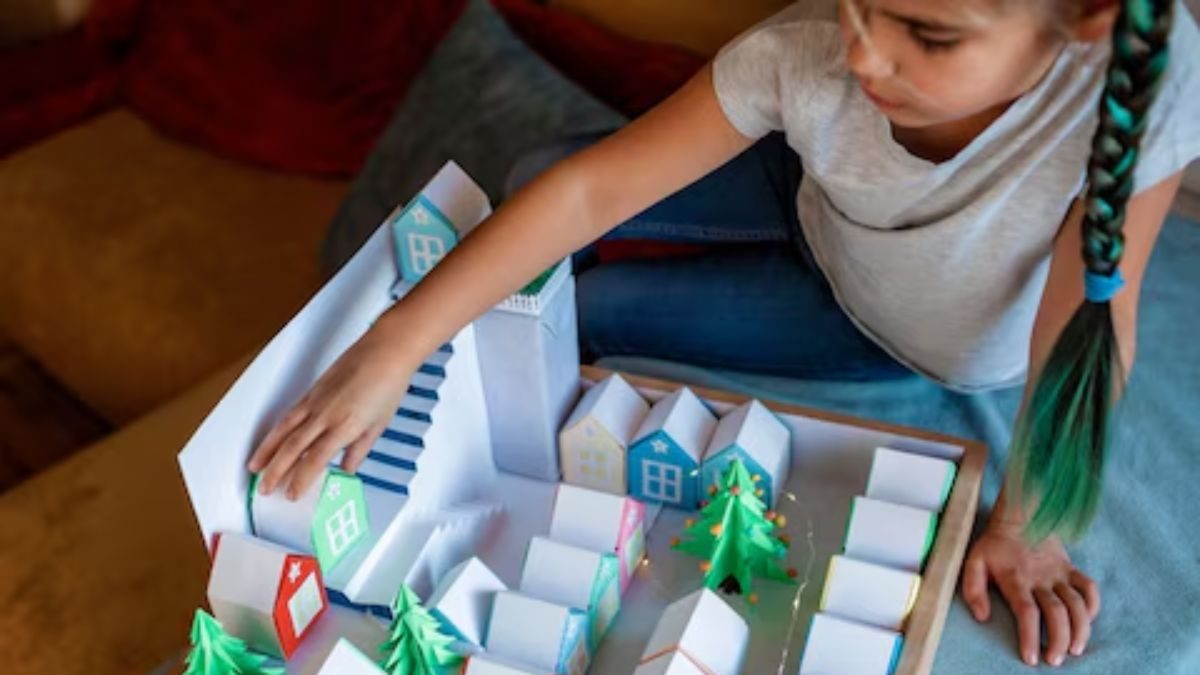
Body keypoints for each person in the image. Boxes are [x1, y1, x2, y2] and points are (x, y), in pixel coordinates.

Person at [248, 0, 1198, 667]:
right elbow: (592, 190)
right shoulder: (813, 52)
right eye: (860, 4)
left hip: (887, 328)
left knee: (602, 323)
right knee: (545, 179)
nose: (865, 57)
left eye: (927, 35)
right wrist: (398, 341)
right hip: (811, 198)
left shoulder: (1145, 94)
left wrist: (1028, 525)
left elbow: (1090, 330)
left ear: (1089, 20)